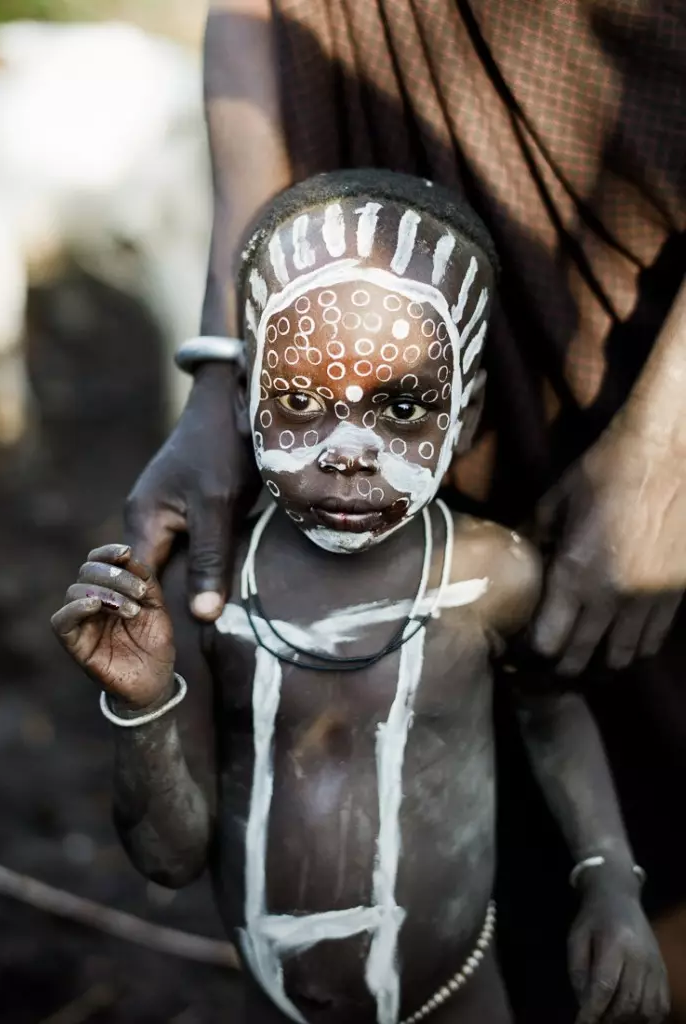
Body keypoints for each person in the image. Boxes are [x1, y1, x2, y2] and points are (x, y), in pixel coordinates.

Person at [123, 4, 686, 1017]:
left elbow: (555, 709)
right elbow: (168, 846)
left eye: (397, 406)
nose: (347, 448)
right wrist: (142, 700)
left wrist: (610, 882)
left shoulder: (489, 576)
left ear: (461, 404)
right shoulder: (214, 595)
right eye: (298, 401)